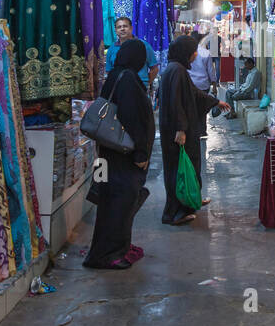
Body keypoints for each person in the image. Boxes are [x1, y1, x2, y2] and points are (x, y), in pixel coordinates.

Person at [83, 39, 155, 270]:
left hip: (109, 152)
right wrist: (141, 154)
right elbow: (132, 118)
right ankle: (108, 255)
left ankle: (110, 248)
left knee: (110, 201)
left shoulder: (116, 76)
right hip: (123, 154)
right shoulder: (128, 81)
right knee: (120, 202)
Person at [157, 34, 229, 224]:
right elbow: (176, 103)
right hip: (177, 132)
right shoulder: (176, 71)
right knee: (178, 171)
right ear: (185, 53)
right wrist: (181, 129)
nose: (196, 54)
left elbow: (194, 93)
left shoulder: (177, 69)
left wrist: (215, 101)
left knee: (190, 166)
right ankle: (175, 213)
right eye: (193, 51)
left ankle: (191, 200)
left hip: (183, 130)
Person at [106, 17, 159, 90]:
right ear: (115, 30)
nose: (122, 29)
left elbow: (154, 68)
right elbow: (109, 71)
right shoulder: (112, 49)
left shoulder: (143, 45)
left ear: (131, 28)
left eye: (125, 26)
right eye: (119, 27)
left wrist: (146, 84)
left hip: (140, 88)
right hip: (118, 89)